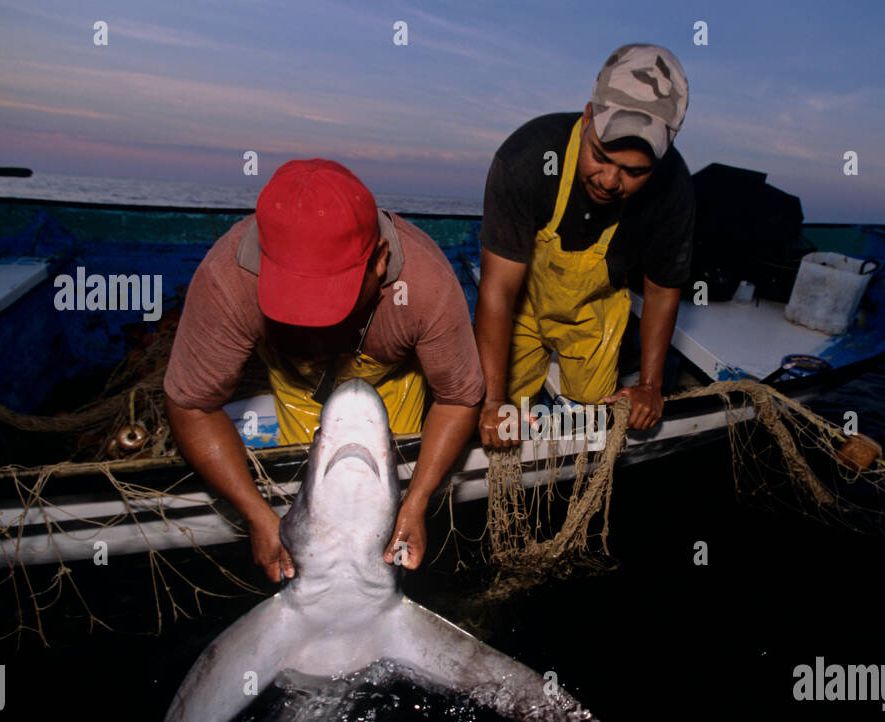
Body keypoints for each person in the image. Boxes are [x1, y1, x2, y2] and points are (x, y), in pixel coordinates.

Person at [163, 158, 484, 581]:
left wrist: (418, 501)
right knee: (312, 514)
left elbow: (459, 397)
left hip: (391, 381)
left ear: (380, 260)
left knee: (384, 516)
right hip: (296, 383)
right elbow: (191, 406)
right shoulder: (228, 280)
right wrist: (256, 515)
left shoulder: (426, 287)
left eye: (333, 301)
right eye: (292, 304)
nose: (315, 326)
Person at [474, 43, 694, 447]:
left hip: (594, 312)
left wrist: (650, 384)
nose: (610, 181)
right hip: (521, 302)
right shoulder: (526, 158)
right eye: (600, 156)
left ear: (660, 162)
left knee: (589, 426)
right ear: (588, 115)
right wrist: (492, 400)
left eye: (634, 171)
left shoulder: (674, 189)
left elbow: (663, 289)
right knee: (507, 416)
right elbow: (498, 290)